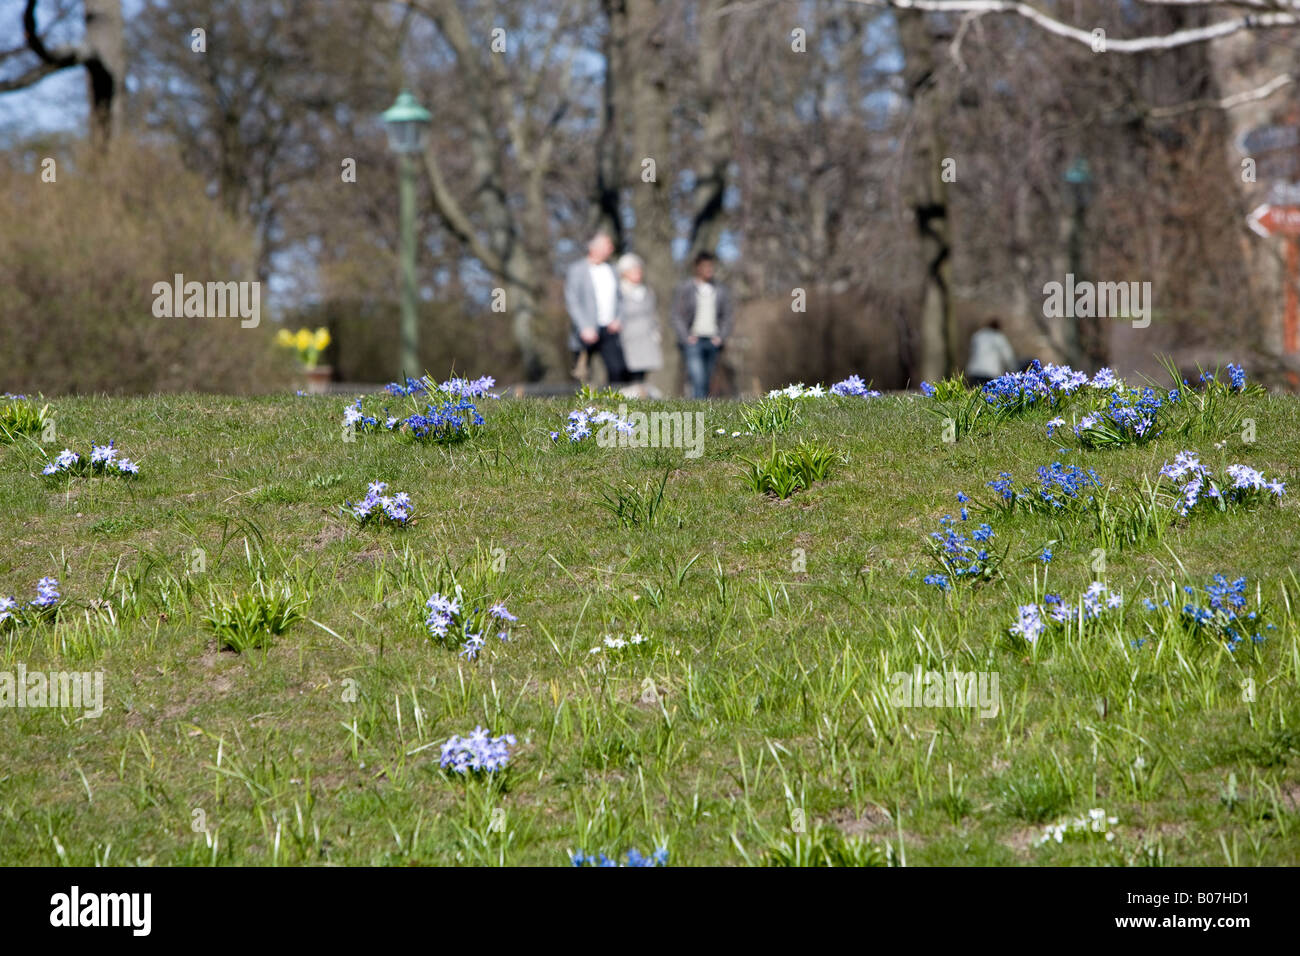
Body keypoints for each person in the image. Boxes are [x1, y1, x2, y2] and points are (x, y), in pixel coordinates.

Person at [565, 232, 628, 385]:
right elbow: (572, 300)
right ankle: (579, 407)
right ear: (595, 247)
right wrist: (584, 327)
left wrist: (618, 319)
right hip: (586, 331)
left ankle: (613, 404)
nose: (612, 248)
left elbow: (620, 298)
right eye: (608, 245)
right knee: (581, 372)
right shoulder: (577, 270)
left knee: (617, 370)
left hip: (610, 328)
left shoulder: (612, 270)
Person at [672, 251, 734, 399]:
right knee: (697, 377)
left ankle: (704, 407)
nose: (709, 270)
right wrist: (686, 337)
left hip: (713, 340)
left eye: (711, 267)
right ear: (697, 268)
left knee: (707, 378)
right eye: (706, 267)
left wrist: (721, 336)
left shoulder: (720, 290)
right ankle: (698, 409)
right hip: (693, 340)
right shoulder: (686, 288)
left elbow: (727, 316)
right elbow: (676, 315)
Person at [614, 254, 662, 392]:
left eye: (639, 270)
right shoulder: (619, 291)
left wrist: (656, 331)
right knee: (627, 371)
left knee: (642, 372)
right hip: (628, 336)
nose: (638, 273)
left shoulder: (647, 291)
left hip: (645, 335)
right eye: (634, 270)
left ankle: (640, 396)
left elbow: (653, 313)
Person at [965, 319, 1017, 387]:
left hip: (975, 372)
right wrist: (1014, 371)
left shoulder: (977, 335)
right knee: (987, 396)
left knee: (974, 393)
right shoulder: (999, 338)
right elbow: (1008, 357)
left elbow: (972, 352)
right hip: (990, 373)